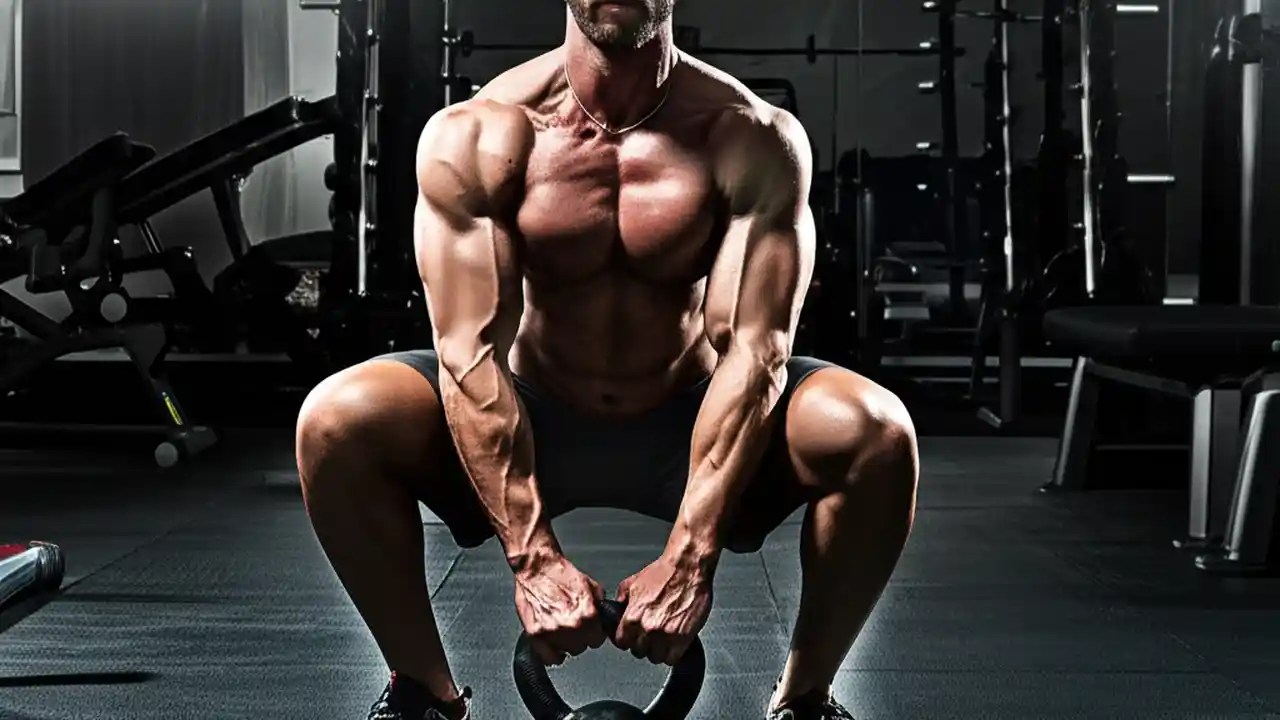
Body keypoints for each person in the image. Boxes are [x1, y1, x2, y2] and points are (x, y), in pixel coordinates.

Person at [296, 1, 919, 718]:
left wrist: (691, 556)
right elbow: (469, 352)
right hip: (530, 410)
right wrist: (532, 558)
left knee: (876, 429)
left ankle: (804, 700)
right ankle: (423, 696)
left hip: (693, 416)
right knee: (337, 418)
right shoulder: (479, 134)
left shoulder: (749, 136)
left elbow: (755, 352)